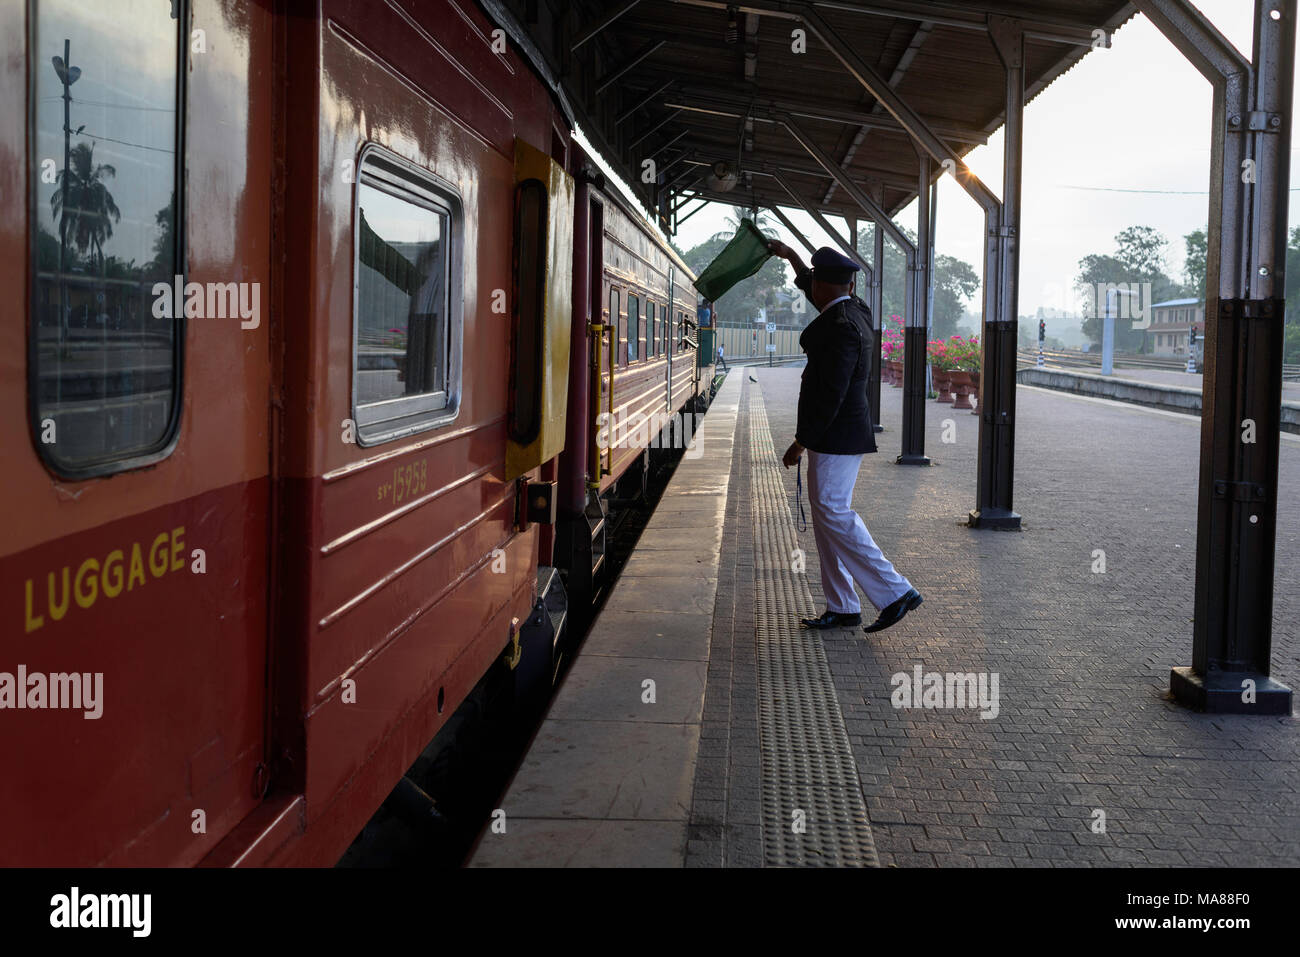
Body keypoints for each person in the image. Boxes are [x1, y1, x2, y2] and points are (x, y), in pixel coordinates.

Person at [766, 242, 923, 634]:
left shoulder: (838, 328)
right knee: (826, 517)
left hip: (836, 435)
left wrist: (801, 441)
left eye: (814, 282)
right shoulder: (855, 311)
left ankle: (895, 591)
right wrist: (790, 257)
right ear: (850, 285)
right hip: (839, 434)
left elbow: (830, 393)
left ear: (825, 287)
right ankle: (843, 605)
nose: (810, 288)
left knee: (834, 511)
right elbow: (814, 285)